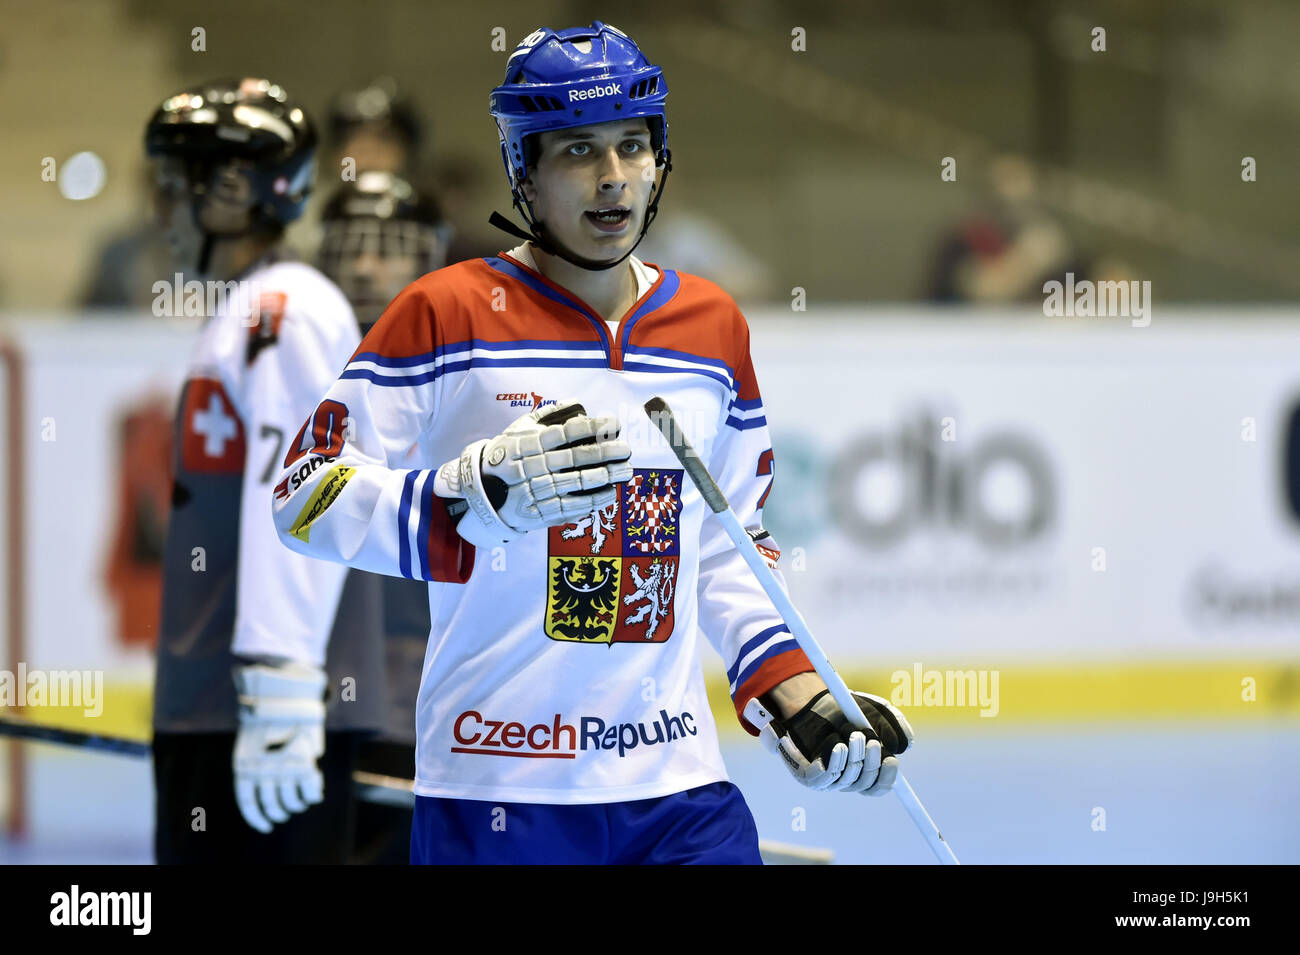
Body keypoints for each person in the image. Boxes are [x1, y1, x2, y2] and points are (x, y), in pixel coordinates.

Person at [271, 22, 913, 865]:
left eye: (632, 145)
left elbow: (727, 546)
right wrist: (465, 502)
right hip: (497, 792)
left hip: (678, 787)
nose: (613, 178)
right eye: (577, 150)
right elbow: (302, 494)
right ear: (524, 170)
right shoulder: (446, 311)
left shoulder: (711, 328)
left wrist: (793, 691)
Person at [146, 77, 385, 863]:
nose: (159, 209)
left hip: (259, 707)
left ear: (233, 192)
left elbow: (299, 492)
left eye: (172, 187)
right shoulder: (248, 309)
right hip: (220, 701)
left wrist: (280, 690)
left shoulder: (284, 309)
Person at [317, 171, 451, 862]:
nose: (366, 266)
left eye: (389, 246)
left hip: (433, 695)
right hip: (324, 696)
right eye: (349, 247)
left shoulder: (468, 368)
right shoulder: (298, 361)